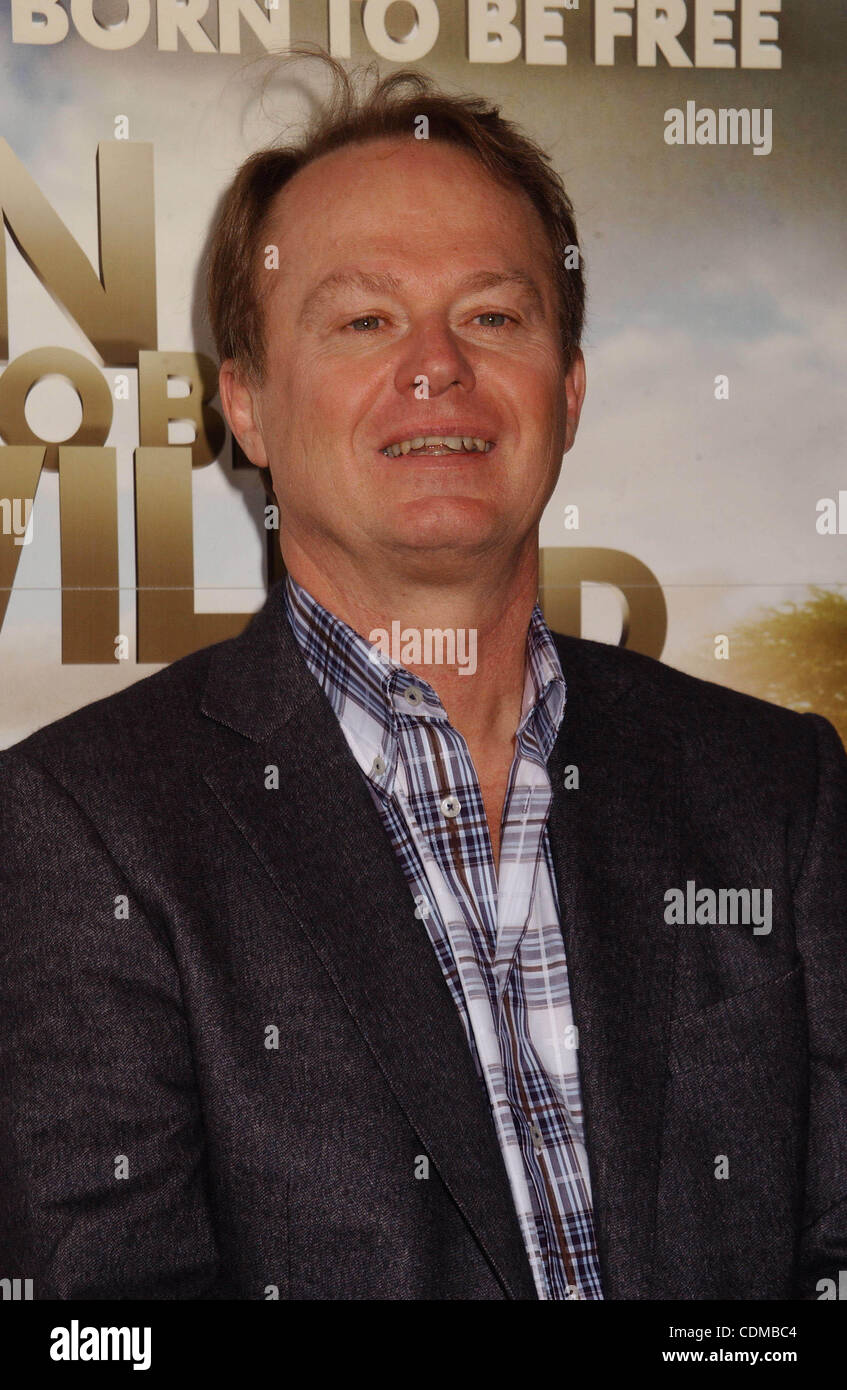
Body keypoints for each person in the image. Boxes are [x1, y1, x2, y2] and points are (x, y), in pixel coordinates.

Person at [1, 49, 845, 1302]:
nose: (436, 364)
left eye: (493, 315)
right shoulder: (81, 828)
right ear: (248, 406)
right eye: (362, 319)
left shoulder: (780, 791)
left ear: (565, 393)